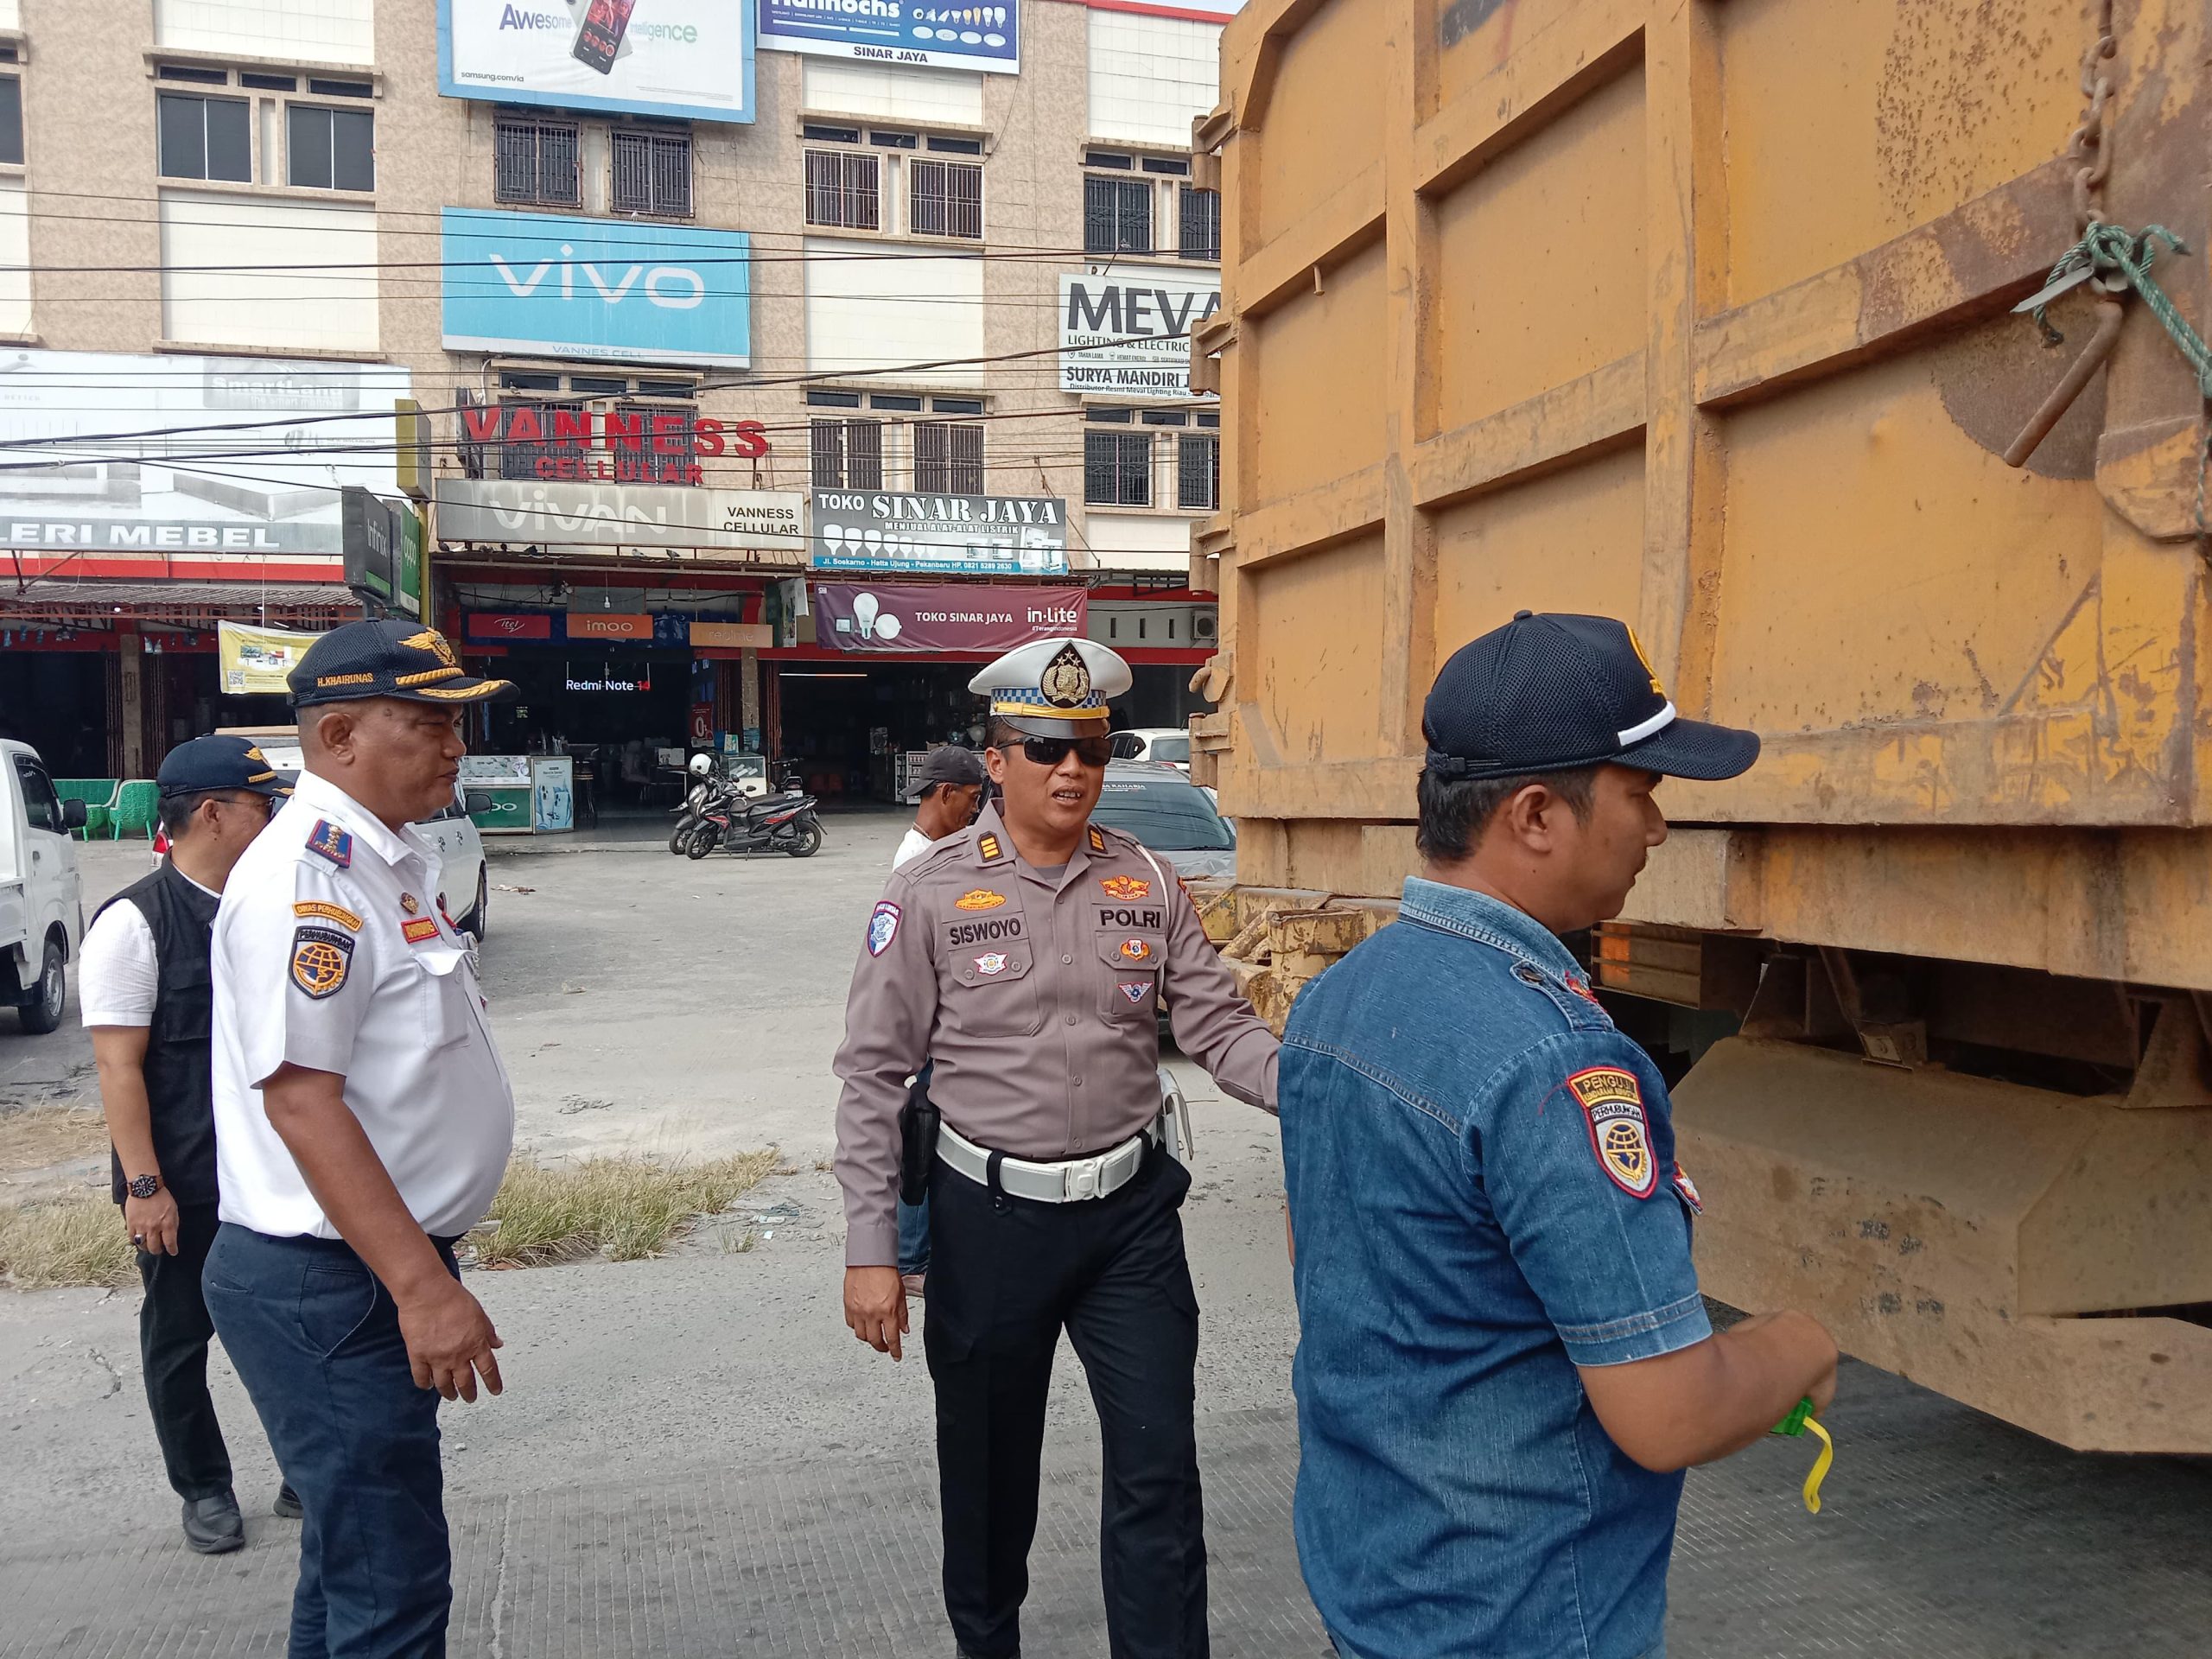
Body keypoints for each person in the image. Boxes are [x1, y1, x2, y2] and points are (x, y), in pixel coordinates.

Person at [1278, 612, 1841, 1659]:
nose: (1659, 829)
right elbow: (1666, 1412)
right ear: (1537, 814)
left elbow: (1330, 1269)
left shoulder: (1339, 1000)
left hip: (1377, 1587)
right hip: (1523, 1617)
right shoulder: (1559, 1063)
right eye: (1643, 794)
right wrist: (1795, 1346)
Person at [835, 637, 1281, 1659]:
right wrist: (871, 1248)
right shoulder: (931, 893)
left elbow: (1219, 1028)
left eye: (1092, 746)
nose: (1073, 768)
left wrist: (1326, 1095)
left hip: (1129, 1221)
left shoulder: (1146, 879)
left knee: (1161, 1472)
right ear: (994, 760)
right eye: (1044, 748)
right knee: (990, 1489)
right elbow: (872, 1077)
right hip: (989, 1224)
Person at [202, 620, 519, 1658]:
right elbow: (302, 1101)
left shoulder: (387, 858)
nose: (456, 746)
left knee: (352, 1568)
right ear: (337, 734)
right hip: (334, 1282)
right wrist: (425, 1291)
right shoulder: (310, 879)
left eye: (458, 724)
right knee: (391, 1591)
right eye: (430, 723)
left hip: (355, 1271)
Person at [80, 734, 297, 1554]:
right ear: (212, 813)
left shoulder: (265, 908)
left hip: (271, 1170)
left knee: (283, 1326)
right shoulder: (134, 923)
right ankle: (203, 1486)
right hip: (181, 1180)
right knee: (180, 1338)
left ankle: (299, 1469)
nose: (273, 818)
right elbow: (117, 1066)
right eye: (261, 805)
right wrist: (145, 1187)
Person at [889, 745, 989, 1294]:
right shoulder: (917, 862)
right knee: (923, 1138)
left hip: (936, 1023)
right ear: (944, 794)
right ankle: (911, 1261)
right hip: (931, 1026)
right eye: (970, 801)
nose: (973, 813)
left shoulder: (935, 847)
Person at [896, 745, 987, 871]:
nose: (975, 808)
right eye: (973, 797)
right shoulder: (916, 860)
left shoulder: (947, 843)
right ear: (946, 793)